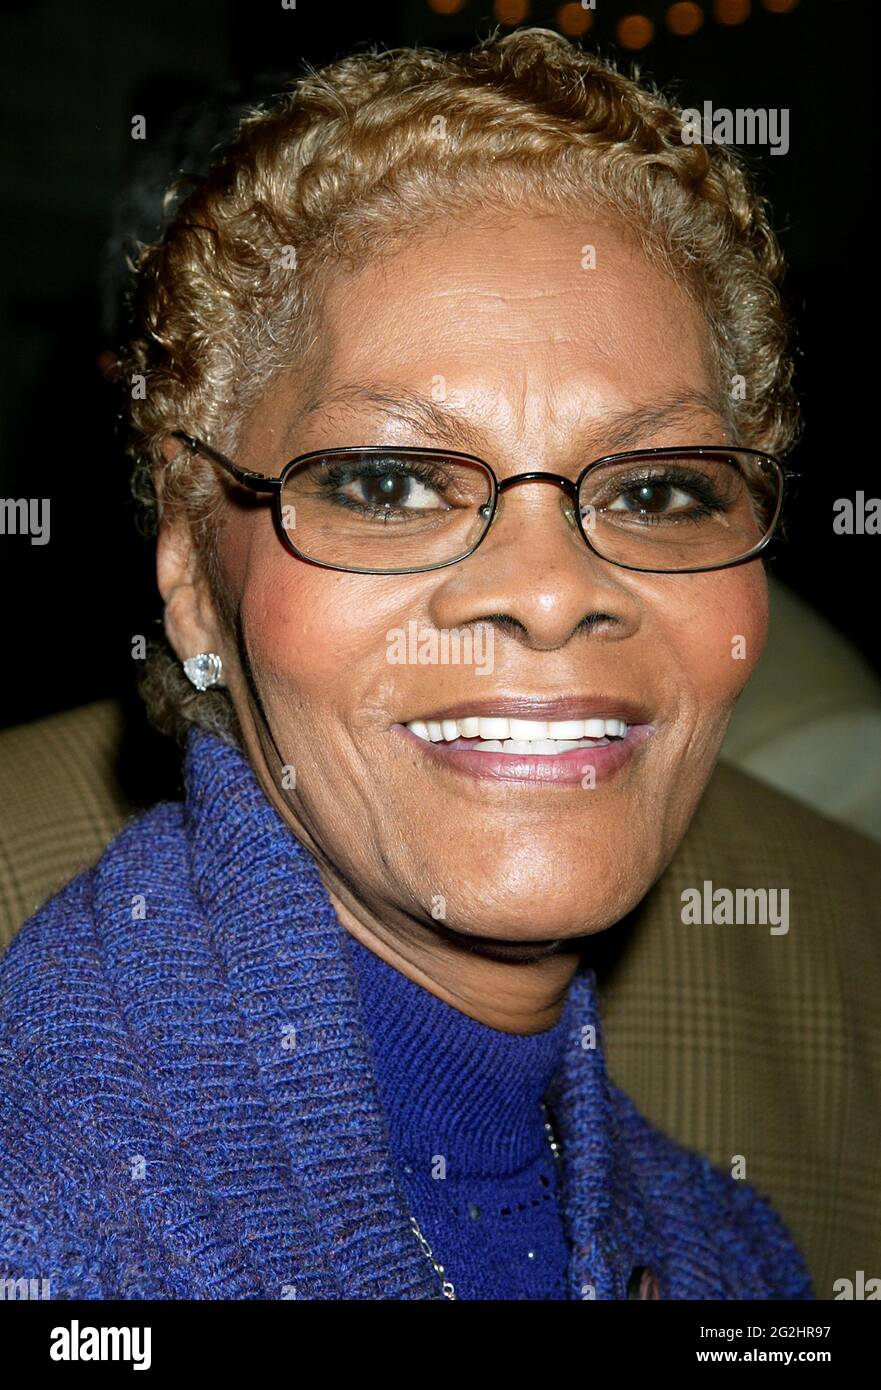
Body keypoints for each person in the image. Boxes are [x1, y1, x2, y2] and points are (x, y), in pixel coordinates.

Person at [0, 27, 821, 1300]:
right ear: (191, 580)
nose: (552, 591)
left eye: (659, 488)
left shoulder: (734, 1255)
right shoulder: (46, 1211)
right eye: (385, 482)